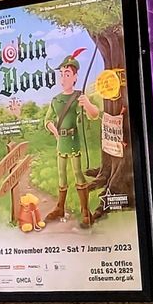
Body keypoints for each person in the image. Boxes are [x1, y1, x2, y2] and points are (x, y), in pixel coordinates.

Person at [45, 50, 102, 228]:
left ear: (75, 77)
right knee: (61, 174)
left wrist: (88, 105)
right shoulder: (55, 100)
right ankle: (60, 207)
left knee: (77, 173)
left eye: (67, 74)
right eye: (62, 74)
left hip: (73, 141)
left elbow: (93, 115)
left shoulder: (78, 97)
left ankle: (85, 210)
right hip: (61, 142)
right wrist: (54, 131)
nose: (63, 78)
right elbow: (47, 120)